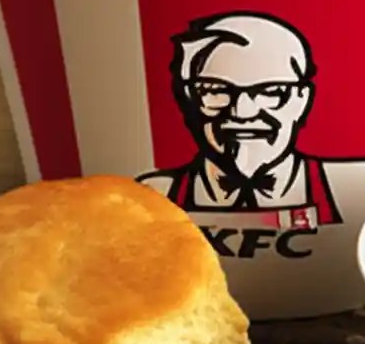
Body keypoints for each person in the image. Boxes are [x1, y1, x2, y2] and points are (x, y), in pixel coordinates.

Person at [138, 12, 340, 230]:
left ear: (303, 99)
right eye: (215, 90)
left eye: (271, 91)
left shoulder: (350, 189)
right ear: (188, 98)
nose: (242, 112)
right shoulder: (149, 195)